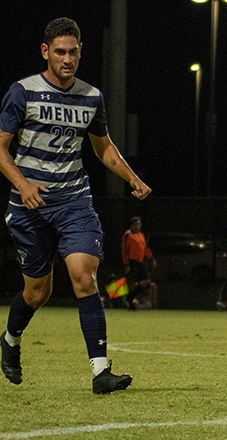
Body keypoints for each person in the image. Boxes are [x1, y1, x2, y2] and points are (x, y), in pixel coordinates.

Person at [0, 18, 150, 393]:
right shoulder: (23, 92)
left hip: (74, 201)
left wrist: (131, 177)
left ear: (81, 52)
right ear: (45, 52)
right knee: (37, 293)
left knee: (85, 276)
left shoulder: (91, 96)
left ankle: (101, 373)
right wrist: (22, 184)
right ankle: (10, 340)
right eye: (60, 52)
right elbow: (1, 150)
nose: (67, 59)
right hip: (28, 206)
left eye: (74, 52)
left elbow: (103, 147)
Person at [121, 216, 155, 308]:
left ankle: (129, 298)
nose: (136, 226)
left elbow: (145, 248)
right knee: (132, 282)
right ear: (131, 225)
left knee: (146, 282)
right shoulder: (128, 234)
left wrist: (151, 258)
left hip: (140, 262)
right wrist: (126, 265)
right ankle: (130, 301)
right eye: (134, 224)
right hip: (132, 262)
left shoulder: (141, 235)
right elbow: (124, 250)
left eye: (138, 224)